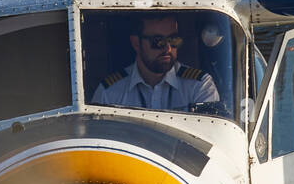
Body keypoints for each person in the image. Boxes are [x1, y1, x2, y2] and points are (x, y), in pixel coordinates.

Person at [91, 14, 220, 111]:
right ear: (136, 43)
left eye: (173, 40)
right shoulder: (109, 92)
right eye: (158, 41)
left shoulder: (199, 86)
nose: (168, 48)